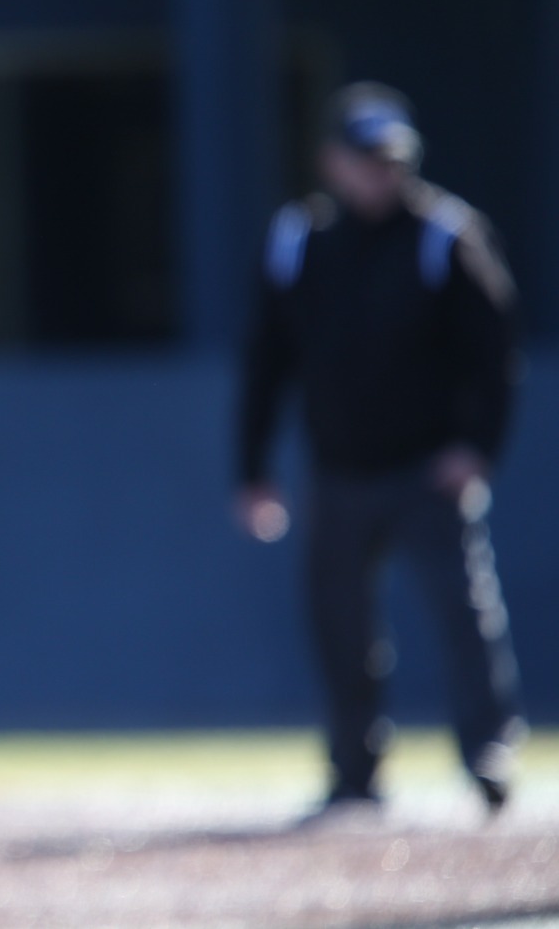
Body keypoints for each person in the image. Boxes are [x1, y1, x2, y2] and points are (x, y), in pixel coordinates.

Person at [236, 82, 525, 820]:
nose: (381, 175)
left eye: (392, 161)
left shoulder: (445, 236)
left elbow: (494, 356)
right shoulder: (298, 240)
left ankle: (488, 753)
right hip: (338, 471)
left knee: (463, 614)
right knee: (340, 625)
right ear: (332, 162)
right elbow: (265, 363)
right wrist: (253, 469)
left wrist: (476, 447)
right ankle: (354, 768)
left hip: (426, 470)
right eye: (366, 160)